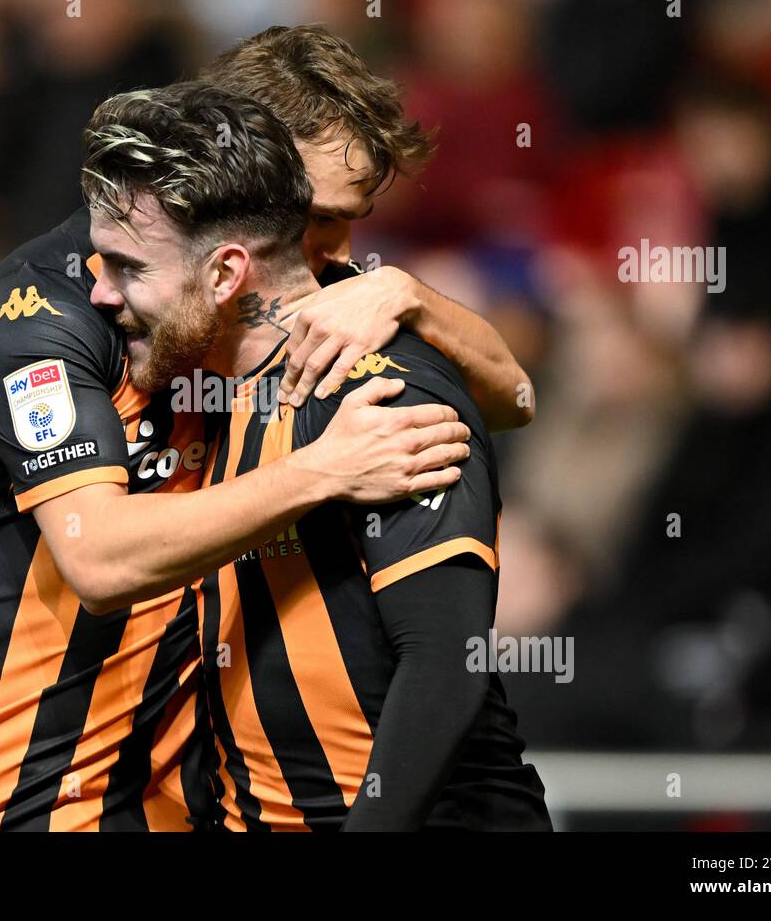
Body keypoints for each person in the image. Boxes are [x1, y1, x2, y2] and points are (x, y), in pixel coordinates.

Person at [0, 26, 532, 832]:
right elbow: (98, 554)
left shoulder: (294, 304)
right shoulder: (50, 313)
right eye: (314, 216)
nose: (329, 257)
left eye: (347, 224)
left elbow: (512, 395)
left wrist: (410, 296)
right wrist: (324, 470)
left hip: (160, 802)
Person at [83, 82, 551, 830]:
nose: (101, 294)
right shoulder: (210, 390)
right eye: (318, 219)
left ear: (226, 269)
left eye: (128, 268)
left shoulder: (375, 388)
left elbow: (446, 663)